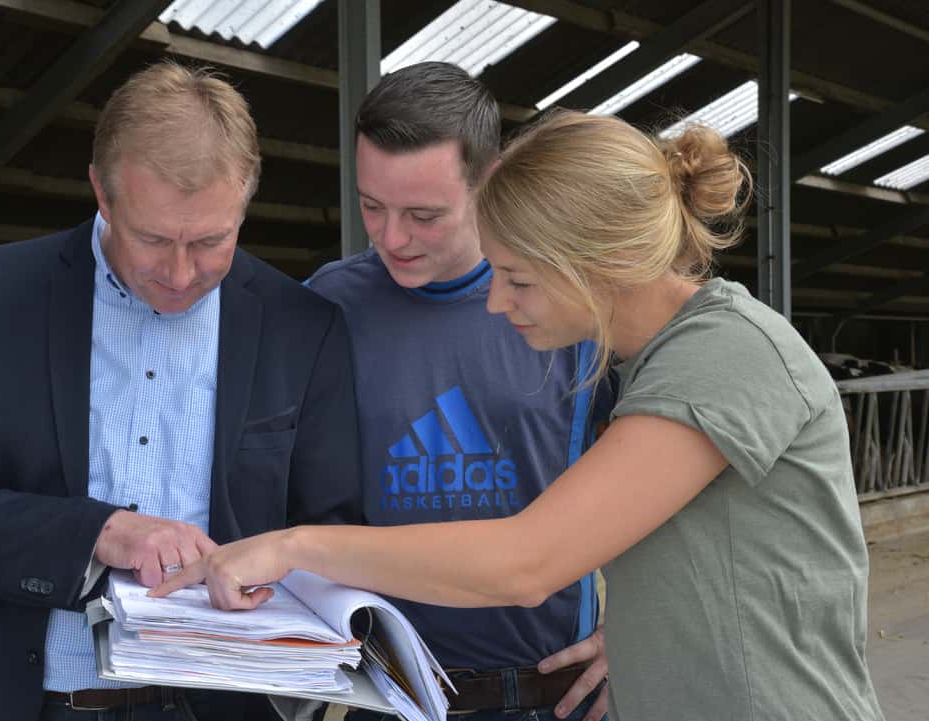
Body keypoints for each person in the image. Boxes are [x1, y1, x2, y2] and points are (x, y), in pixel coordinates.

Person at [158, 110, 886, 721]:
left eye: (519, 279)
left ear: (598, 263)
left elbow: (526, 561)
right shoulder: (651, 362)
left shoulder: (725, 354)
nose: (500, 305)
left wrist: (293, 546)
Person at [0, 61, 362, 721]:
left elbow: (337, 534)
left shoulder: (305, 326)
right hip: (26, 701)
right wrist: (97, 533)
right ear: (101, 191)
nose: (180, 273)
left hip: (228, 708)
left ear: (245, 202)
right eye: (153, 239)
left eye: (211, 240)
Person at [305, 62, 613, 721]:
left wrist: (643, 627)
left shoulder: (574, 304)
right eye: (371, 206)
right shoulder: (325, 307)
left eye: (423, 214)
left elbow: (674, 490)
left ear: (489, 179)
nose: (390, 237)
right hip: (388, 698)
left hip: (550, 698)